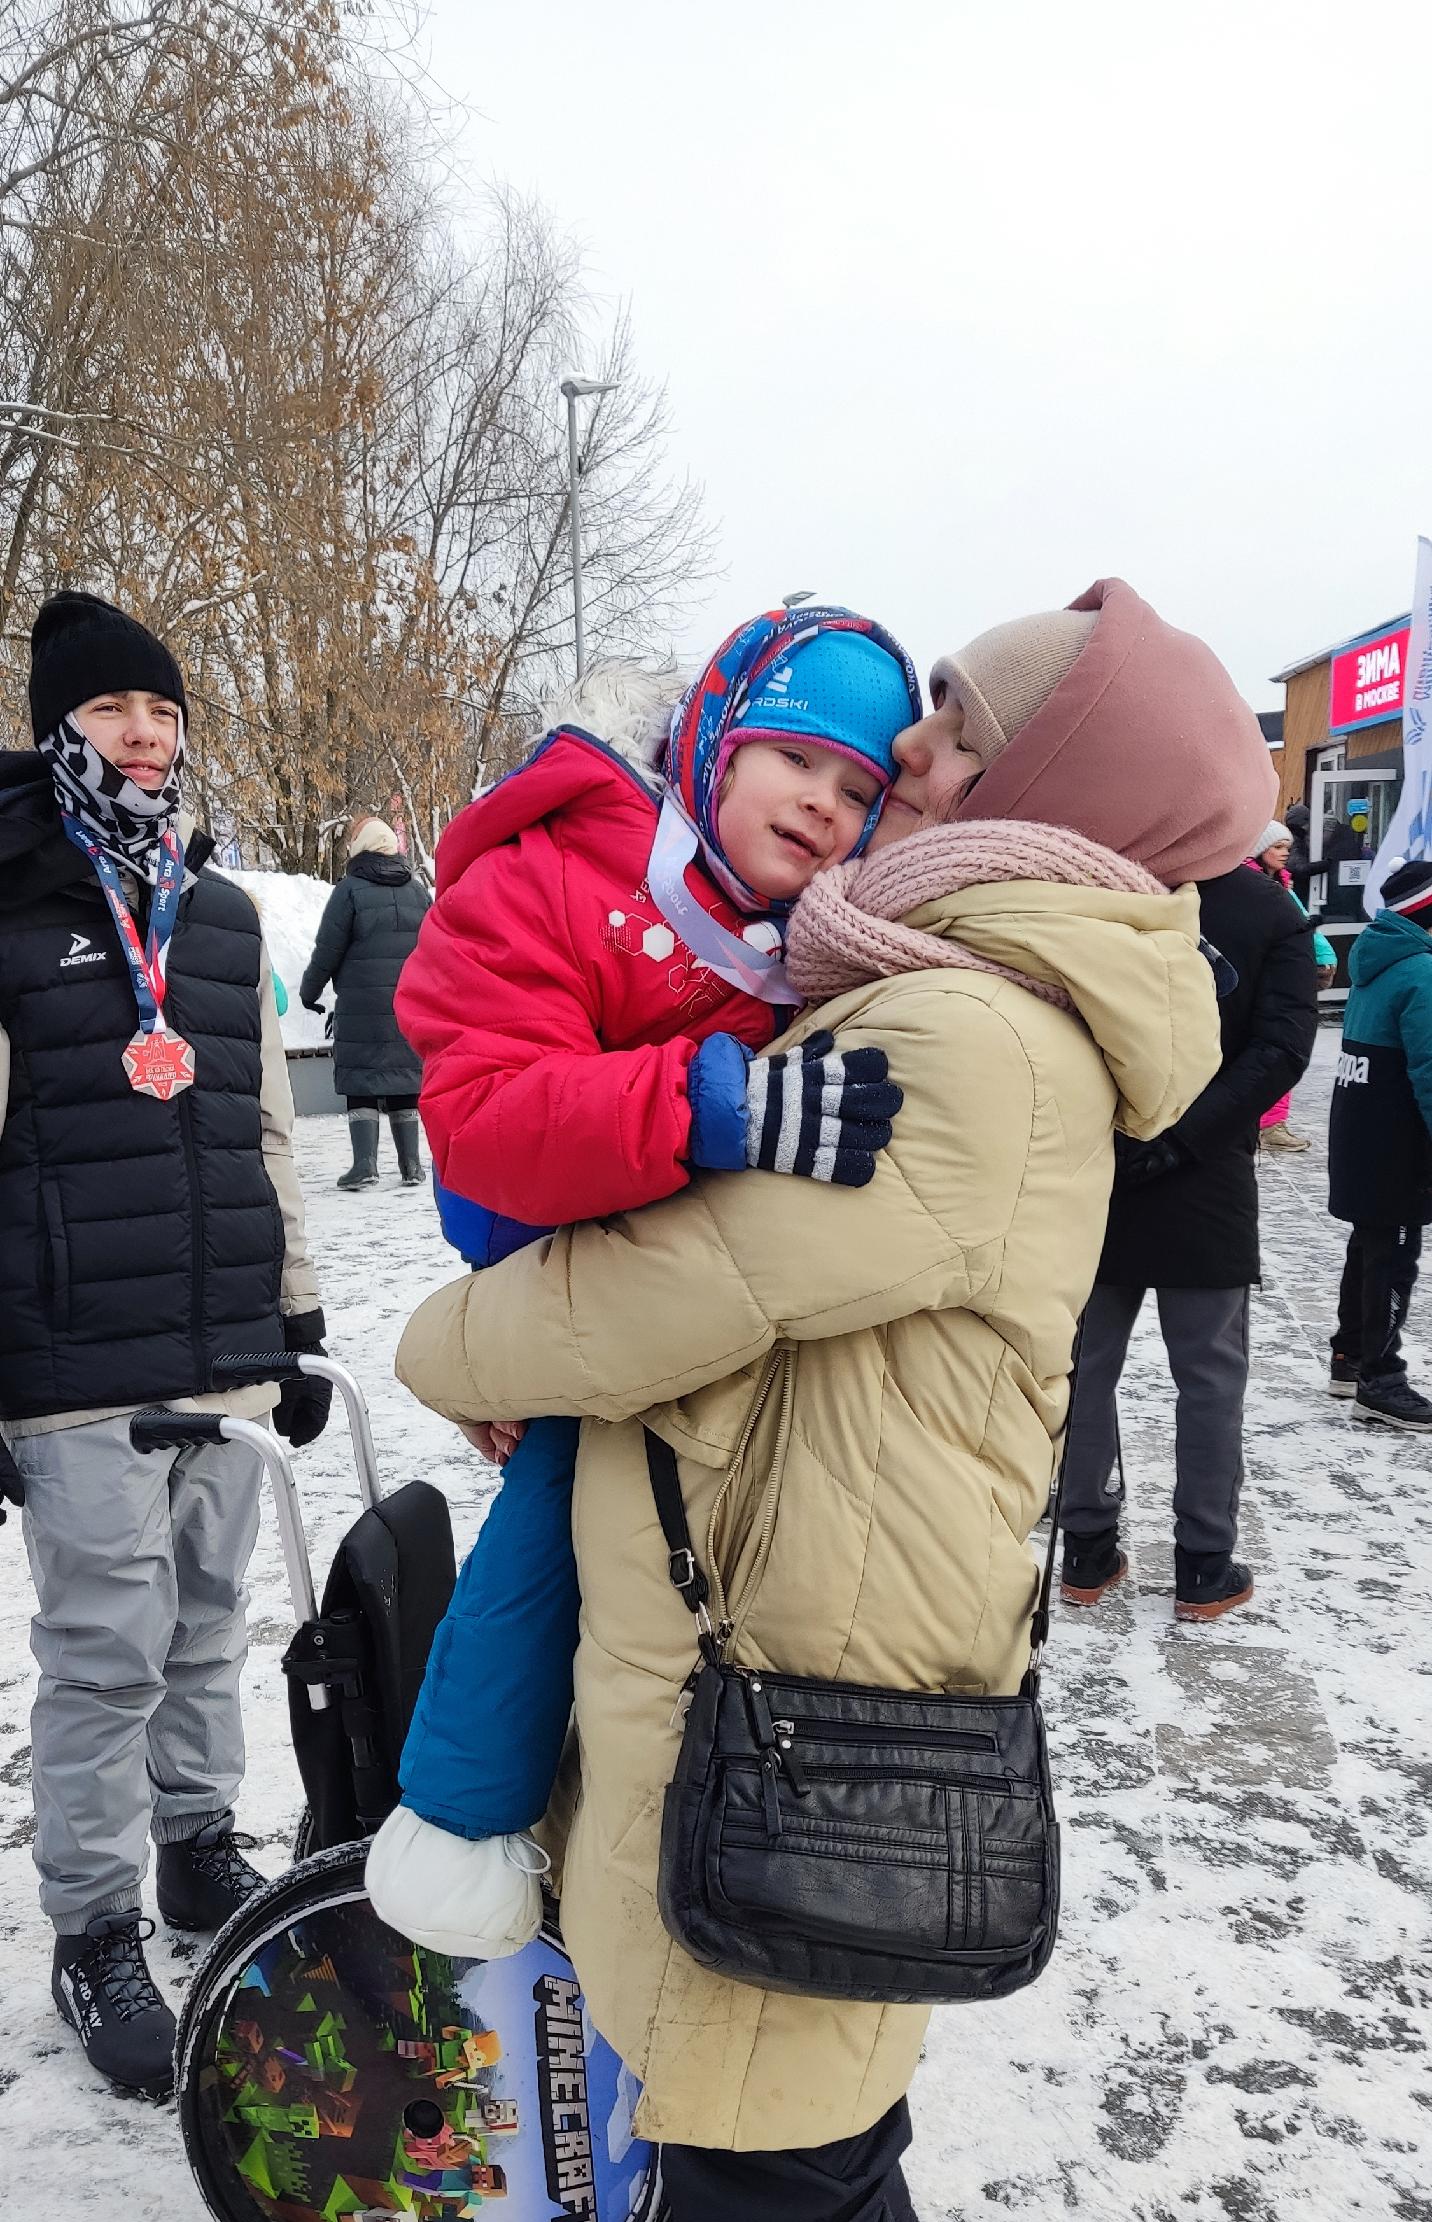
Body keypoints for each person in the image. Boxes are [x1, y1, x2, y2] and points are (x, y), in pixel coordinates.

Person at [392, 578, 1269, 2222]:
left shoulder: (958, 1032)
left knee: (784, 2180)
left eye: (947, 733)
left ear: (1053, 780)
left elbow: (668, 1289)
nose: (903, 774)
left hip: (799, 1683)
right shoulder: (930, 984)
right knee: (799, 2140)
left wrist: (445, 1337)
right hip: (804, 1636)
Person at [365, 608, 922, 1958]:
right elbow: (489, 1114)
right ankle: (455, 1815)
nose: (827, 806)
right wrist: (718, 1108)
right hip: (537, 1243)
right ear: (719, 739)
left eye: (860, 790)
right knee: (554, 1507)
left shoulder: (794, 943)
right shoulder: (559, 870)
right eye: (803, 760)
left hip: (663, 1298)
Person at [0, 591, 332, 2094]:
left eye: (162, 711)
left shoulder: (219, 913)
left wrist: (298, 1307)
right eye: (110, 710)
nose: (143, 732)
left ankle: (199, 1847)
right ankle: (92, 1924)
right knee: (104, 1656)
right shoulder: (10, 903)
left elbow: (266, 1122)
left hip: (219, 1341)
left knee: (209, 1625)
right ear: (55, 729)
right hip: (74, 1363)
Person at [1060, 845, 1317, 1622]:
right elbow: (1281, 1049)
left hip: (1105, 1161)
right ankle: (1204, 1564)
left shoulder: (1107, 886)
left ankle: (1086, 1548)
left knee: (1084, 1366)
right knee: (1208, 1378)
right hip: (1208, 1177)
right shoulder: (1270, 909)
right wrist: (1188, 1136)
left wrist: (1132, 1133)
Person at [1327, 855, 1432, 1428]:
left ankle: (1349, 1355)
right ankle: (1381, 1376)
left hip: (1362, 1132)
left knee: (1369, 1247)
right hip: (1397, 1141)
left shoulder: (1377, 957)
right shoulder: (1421, 972)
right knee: (1394, 1256)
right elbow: (1431, 1068)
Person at [300, 814, 428, 1190]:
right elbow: (436, 943)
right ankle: (412, 1166)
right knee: (405, 1077)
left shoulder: (351, 889)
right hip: (408, 1004)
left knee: (363, 1079)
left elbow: (328, 948)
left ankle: (365, 1165)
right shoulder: (418, 890)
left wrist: (309, 992)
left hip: (361, 1004)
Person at [1249, 825, 1335, 1152]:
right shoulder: (1260, 886)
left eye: (1288, 845)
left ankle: (1270, 1121)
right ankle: (1269, 1124)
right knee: (1280, 1045)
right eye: (1279, 846)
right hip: (1275, 975)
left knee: (1281, 1046)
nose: (1286, 852)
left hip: (1294, 970)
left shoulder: (1279, 882)